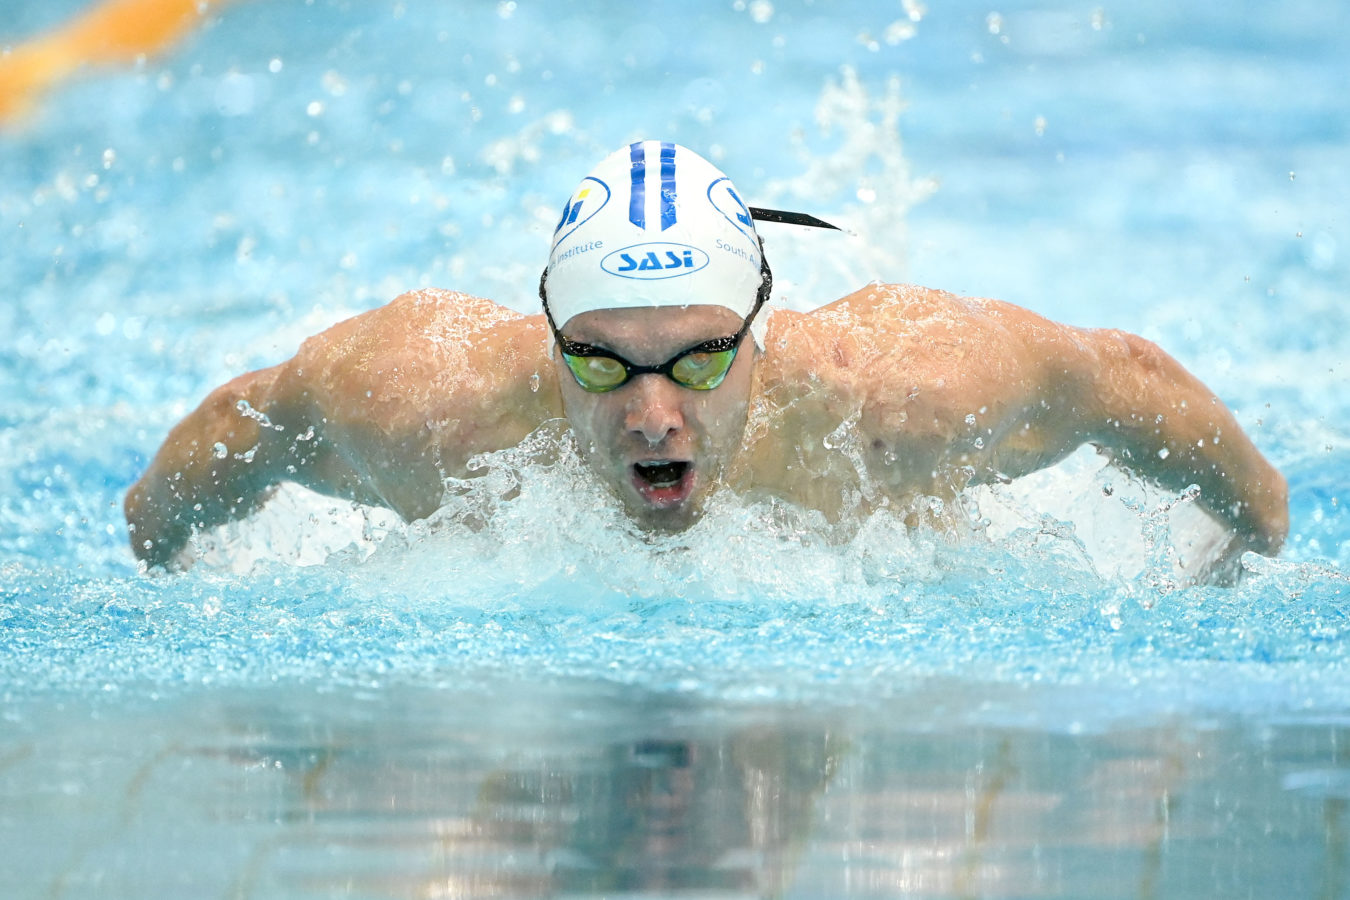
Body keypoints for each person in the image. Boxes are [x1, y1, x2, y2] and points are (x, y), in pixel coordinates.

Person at [125, 141, 1288, 577]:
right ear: (549, 339)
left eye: (694, 362)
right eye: (600, 363)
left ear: (759, 337)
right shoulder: (430, 407)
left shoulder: (894, 401)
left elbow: (1120, 377)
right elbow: (240, 423)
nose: (649, 416)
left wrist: (1256, 533)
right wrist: (158, 554)